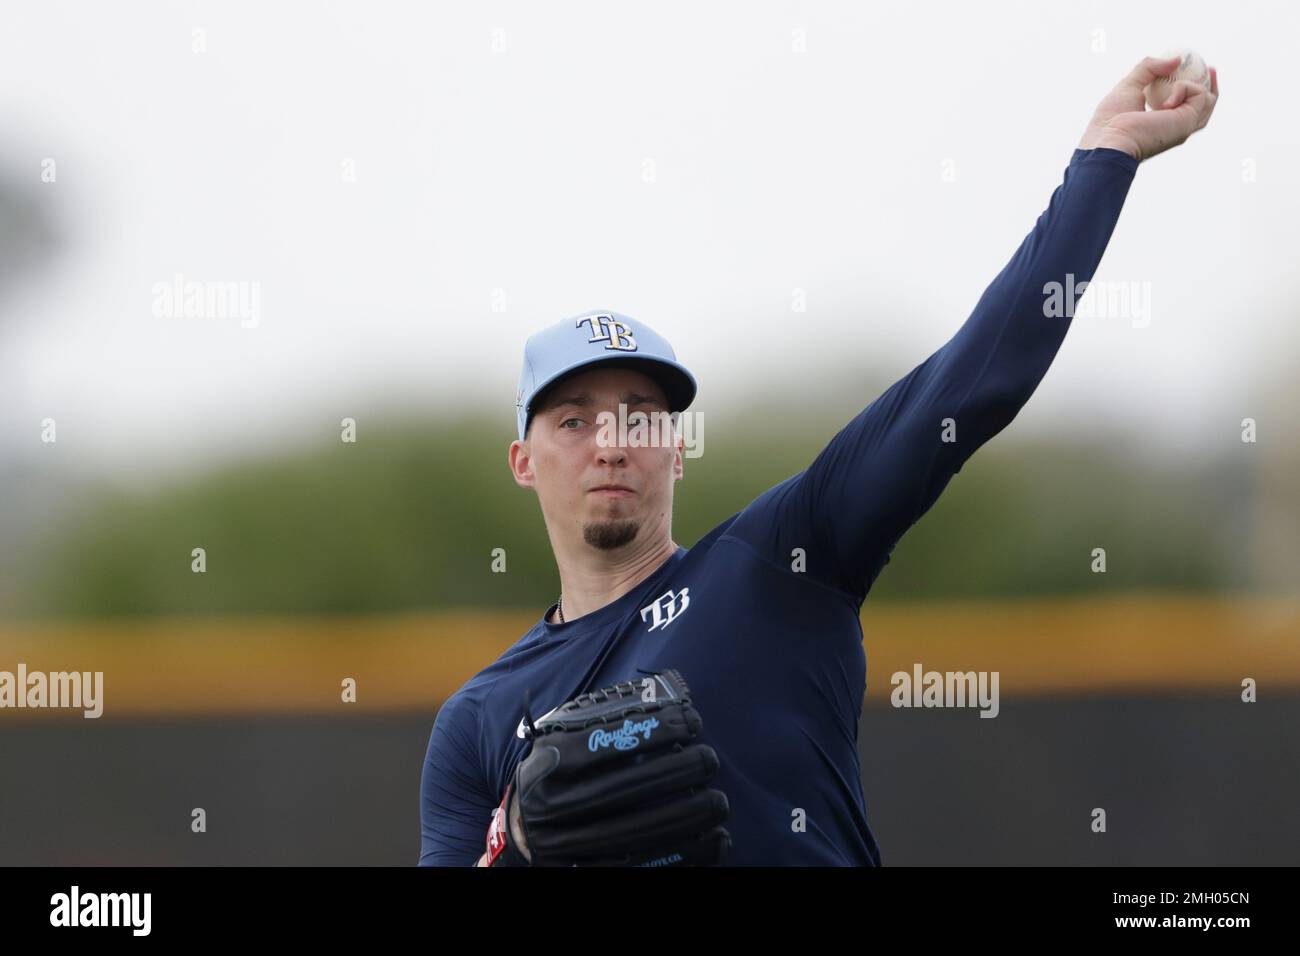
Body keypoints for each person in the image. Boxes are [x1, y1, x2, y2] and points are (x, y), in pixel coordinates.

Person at [419, 54, 1218, 866]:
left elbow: (967, 387)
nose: (614, 442)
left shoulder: (778, 565)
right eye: (574, 420)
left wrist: (1104, 158)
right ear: (523, 460)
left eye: (642, 417)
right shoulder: (480, 721)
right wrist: (507, 840)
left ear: (679, 452)